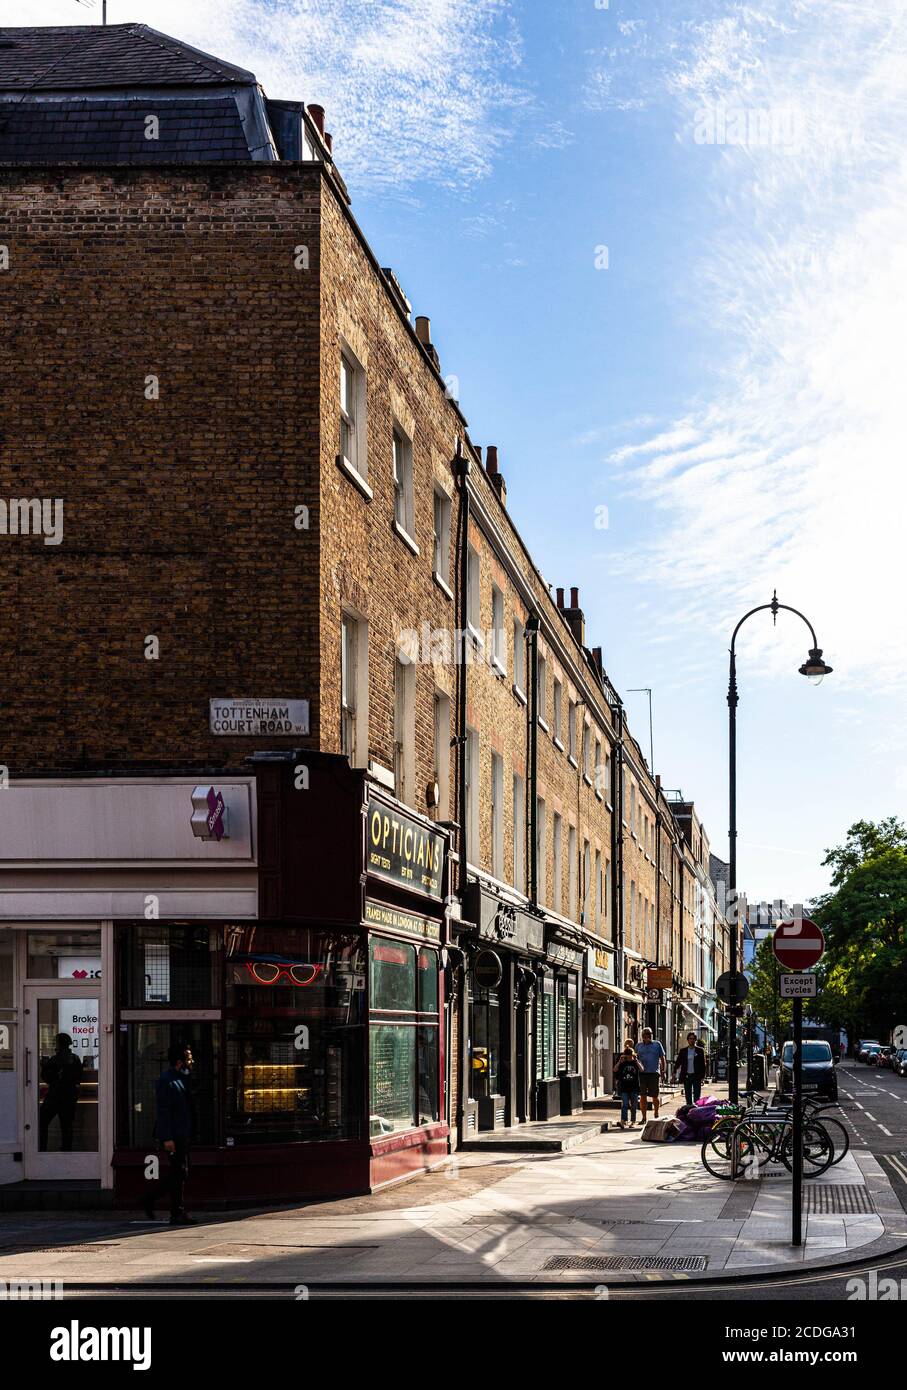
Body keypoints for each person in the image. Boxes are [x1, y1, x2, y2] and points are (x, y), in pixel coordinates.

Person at [144, 1043, 197, 1226]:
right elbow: (163, 1111)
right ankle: (168, 1207)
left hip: (182, 1133)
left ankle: (172, 1209)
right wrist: (167, 1138)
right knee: (180, 1172)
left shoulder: (182, 1078)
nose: (192, 1061)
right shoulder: (166, 1080)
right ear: (179, 1062)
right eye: (189, 1058)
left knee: (181, 1172)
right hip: (173, 1135)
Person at [39, 1033, 83, 1152]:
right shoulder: (75, 1058)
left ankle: (42, 1149)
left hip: (54, 1096)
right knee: (67, 1126)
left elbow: (46, 1077)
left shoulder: (54, 1059)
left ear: (59, 1044)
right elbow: (79, 1077)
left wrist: (43, 1066)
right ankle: (66, 1149)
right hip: (69, 1097)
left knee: (42, 1122)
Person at [635, 1026, 667, 1122]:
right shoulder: (638, 1046)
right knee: (643, 1096)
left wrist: (663, 1071)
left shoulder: (657, 1044)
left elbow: (662, 1059)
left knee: (655, 1095)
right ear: (642, 1035)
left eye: (650, 1034)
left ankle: (656, 1114)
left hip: (654, 1073)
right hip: (642, 1074)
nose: (649, 1036)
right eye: (647, 1034)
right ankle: (644, 1117)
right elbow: (634, 1058)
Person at [615, 1041, 643, 1129]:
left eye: (630, 1056)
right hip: (624, 1087)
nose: (629, 1058)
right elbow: (615, 1069)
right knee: (625, 1104)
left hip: (634, 1087)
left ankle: (633, 1121)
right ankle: (623, 1121)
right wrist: (620, 1061)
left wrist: (636, 1060)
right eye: (627, 1057)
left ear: (633, 1055)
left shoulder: (635, 1062)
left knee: (634, 1105)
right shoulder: (622, 1062)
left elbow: (642, 1069)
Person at [674, 1031, 707, 1106]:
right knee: (688, 1095)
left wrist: (703, 1076)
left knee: (697, 1096)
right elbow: (678, 1062)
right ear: (687, 1040)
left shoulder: (700, 1050)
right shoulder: (683, 1051)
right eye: (690, 1039)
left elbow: (703, 1064)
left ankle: (696, 1111)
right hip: (687, 1076)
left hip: (696, 1076)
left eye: (693, 1039)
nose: (691, 1040)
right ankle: (689, 1110)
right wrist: (674, 1071)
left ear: (695, 1040)